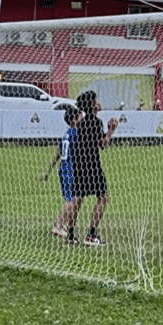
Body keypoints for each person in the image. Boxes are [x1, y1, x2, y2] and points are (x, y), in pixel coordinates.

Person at [60, 91, 118, 246]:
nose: (99, 102)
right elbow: (103, 144)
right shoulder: (95, 122)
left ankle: (70, 236)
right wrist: (111, 130)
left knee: (77, 198)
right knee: (103, 197)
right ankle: (91, 235)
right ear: (93, 105)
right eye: (96, 100)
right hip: (92, 164)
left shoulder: (81, 123)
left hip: (78, 164)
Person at [43, 107, 83, 238]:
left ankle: (62, 224)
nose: (82, 118)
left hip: (63, 168)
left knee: (74, 198)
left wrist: (48, 171)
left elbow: (58, 153)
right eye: (80, 116)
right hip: (70, 169)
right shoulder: (76, 134)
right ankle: (59, 226)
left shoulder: (66, 134)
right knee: (71, 199)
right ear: (74, 120)